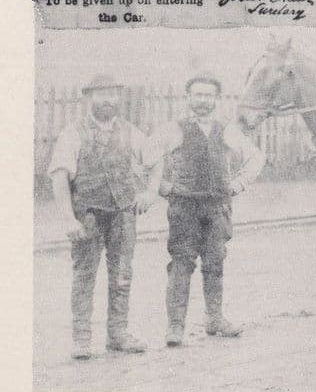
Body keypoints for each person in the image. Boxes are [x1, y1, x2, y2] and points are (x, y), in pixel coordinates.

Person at [147, 73, 265, 347]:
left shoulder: (227, 130)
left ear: (216, 99)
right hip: (184, 208)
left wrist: (237, 185)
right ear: (188, 98)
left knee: (215, 262)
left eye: (208, 95)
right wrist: (161, 186)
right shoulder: (171, 129)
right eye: (197, 94)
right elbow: (143, 158)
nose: (203, 100)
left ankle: (215, 319)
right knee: (181, 264)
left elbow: (255, 158)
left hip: (217, 208)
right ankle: (175, 326)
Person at [47, 74, 158, 360]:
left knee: (122, 274)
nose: (107, 100)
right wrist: (68, 219)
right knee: (84, 276)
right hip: (88, 216)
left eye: (112, 94)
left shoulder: (130, 131)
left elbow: (156, 160)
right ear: (89, 98)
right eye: (101, 94)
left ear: (119, 98)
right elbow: (59, 176)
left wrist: (150, 193)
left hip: (123, 215)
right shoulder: (73, 133)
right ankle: (82, 339)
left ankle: (118, 334)